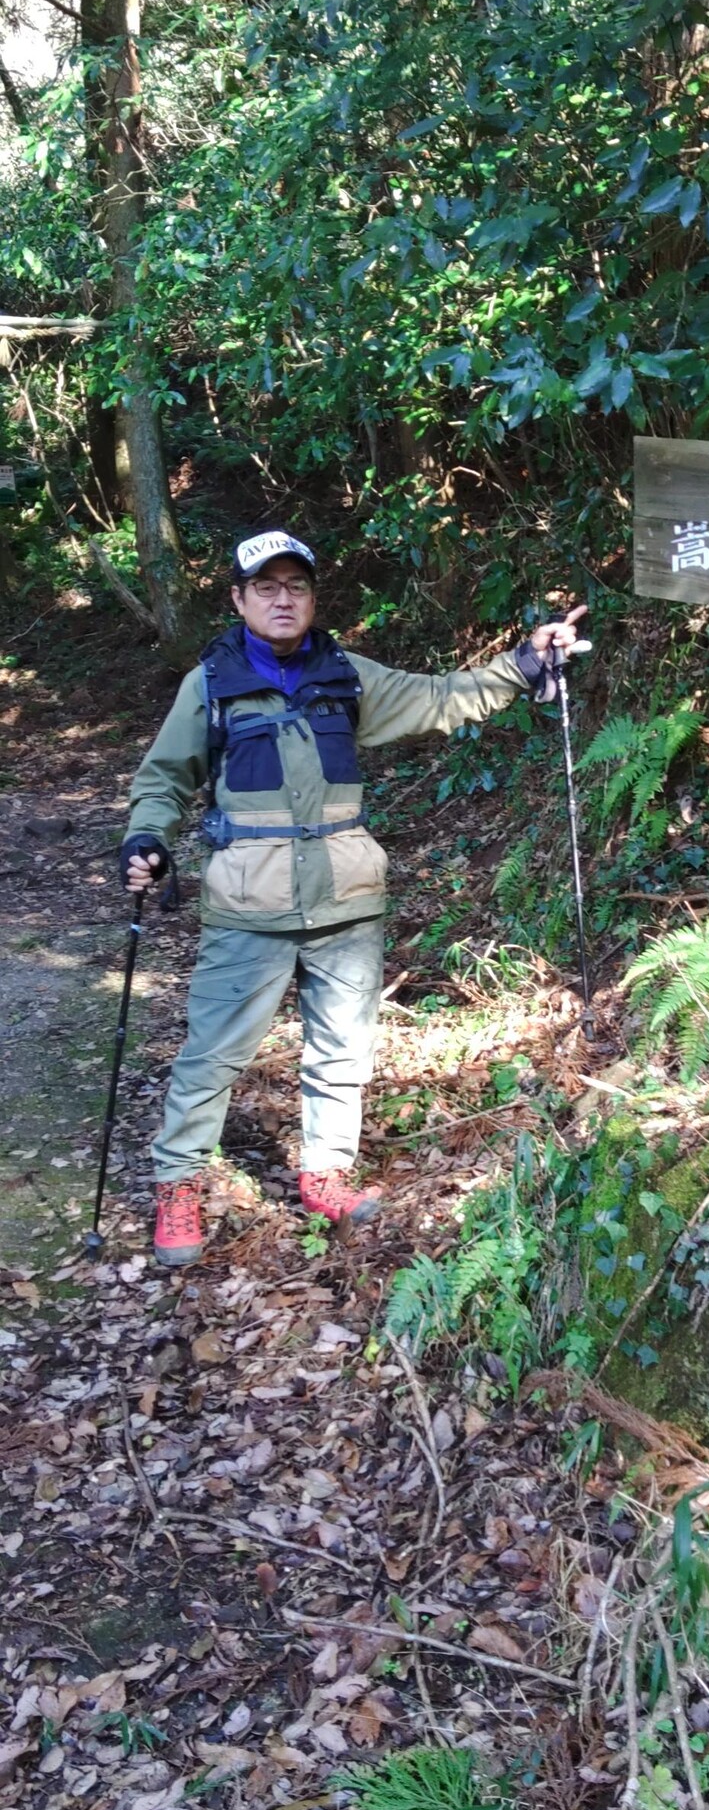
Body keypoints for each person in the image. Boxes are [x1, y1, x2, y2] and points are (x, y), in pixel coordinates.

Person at [122, 530, 587, 1266]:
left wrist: (523, 663)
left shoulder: (347, 674)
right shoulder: (209, 684)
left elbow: (439, 699)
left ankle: (325, 1173)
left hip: (347, 901)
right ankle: (178, 1184)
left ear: (312, 597)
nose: (283, 599)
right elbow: (163, 779)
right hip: (249, 905)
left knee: (343, 1053)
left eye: (296, 586)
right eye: (266, 587)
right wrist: (146, 837)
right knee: (213, 1055)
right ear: (239, 599)